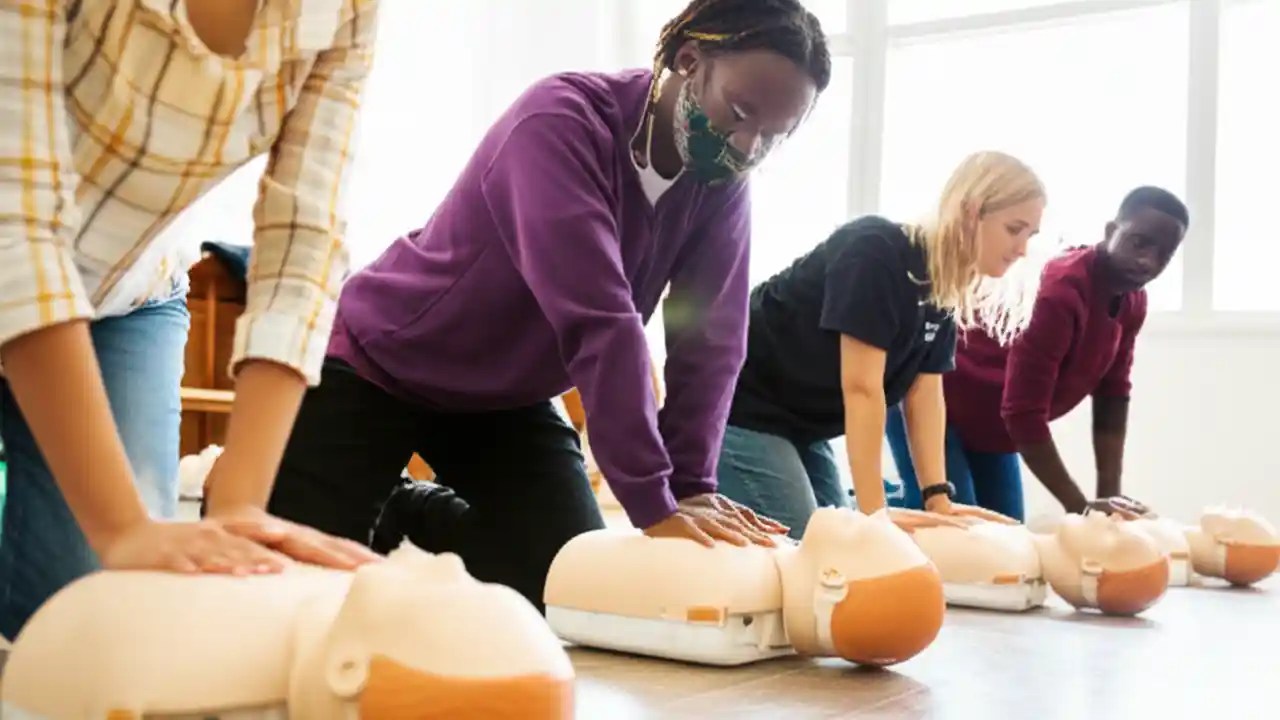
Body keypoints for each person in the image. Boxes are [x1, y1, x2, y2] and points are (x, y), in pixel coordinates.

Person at [261, 0, 833, 611]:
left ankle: (403, 509)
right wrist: (651, 498)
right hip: (384, 361)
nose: (748, 147)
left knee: (563, 580)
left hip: (505, 398)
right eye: (741, 112)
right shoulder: (557, 121)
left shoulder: (719, 182)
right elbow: (601, 320)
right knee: (295, 580)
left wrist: (691, 486)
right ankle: (318, 485)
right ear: (689, 60)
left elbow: (712, 336)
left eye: (774, 136)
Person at [0, 0, 383, 638]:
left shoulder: (347, 11)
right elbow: (16, 222)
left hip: (123, 297)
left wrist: (239, 506)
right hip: (19, 241)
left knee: (109, 610)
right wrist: (120, 525)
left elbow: (304, 242)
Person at [715, 151, 1046, 538]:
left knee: (843, 539)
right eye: (1014, 229)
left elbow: (925, 393)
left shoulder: (939, 285)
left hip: (801, 427)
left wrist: (937, 497)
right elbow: (862, 388)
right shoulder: (875, 251)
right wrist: (875, 517)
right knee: (820, 547)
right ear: (971, 212)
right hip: (739, 407)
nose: (1022, 248)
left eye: (1030, 235)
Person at [886, 186, 1189, 522]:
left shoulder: (1133, 300)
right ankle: (872, 502)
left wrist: (1110, 499)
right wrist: (1081, 507)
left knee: (1007, 535)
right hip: (934, 404)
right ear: (1110, 231)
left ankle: (903, 498)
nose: (1149, 260)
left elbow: (1112, 394)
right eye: (1139, 242)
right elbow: (1023, 413)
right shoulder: (1061, 291)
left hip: (992, 429)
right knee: (951, 527)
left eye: (1165, 253)